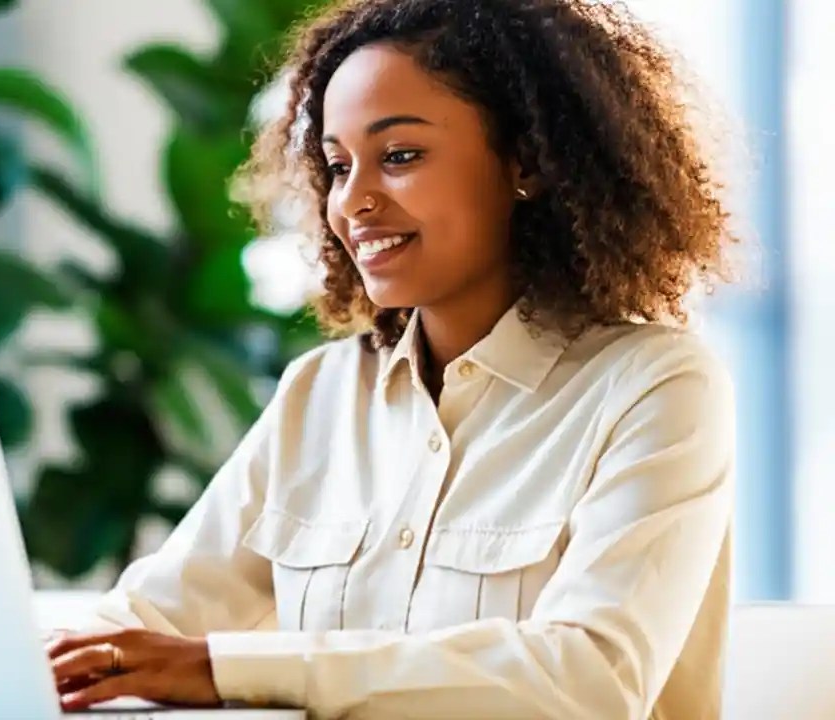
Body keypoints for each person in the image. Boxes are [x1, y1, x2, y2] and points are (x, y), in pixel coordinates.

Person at [47, 0, 741, 717]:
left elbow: (592, 676)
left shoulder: (657, 386)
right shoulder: (321, 393)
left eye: (400, 156)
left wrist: (230, 667)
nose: (353, 202)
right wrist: (46, 664)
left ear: (526, 159)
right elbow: (149, 622)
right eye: (338, 166)